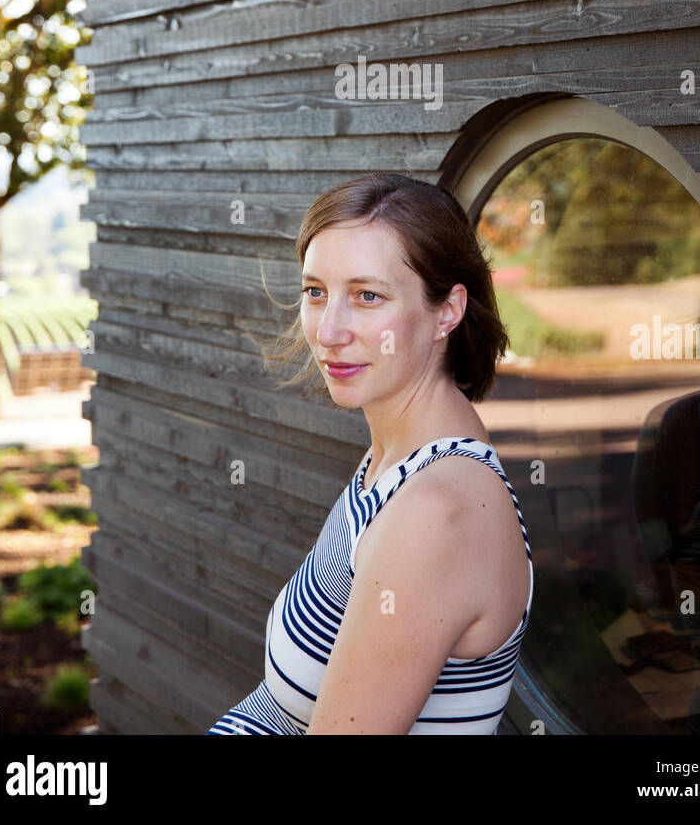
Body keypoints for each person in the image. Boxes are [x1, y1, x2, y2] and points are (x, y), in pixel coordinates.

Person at [205, 172, 534, 735]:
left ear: (448, 311)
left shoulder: (435, 512)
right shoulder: (395, 459)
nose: (329, 330)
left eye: (367, 296)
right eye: (315, 292)